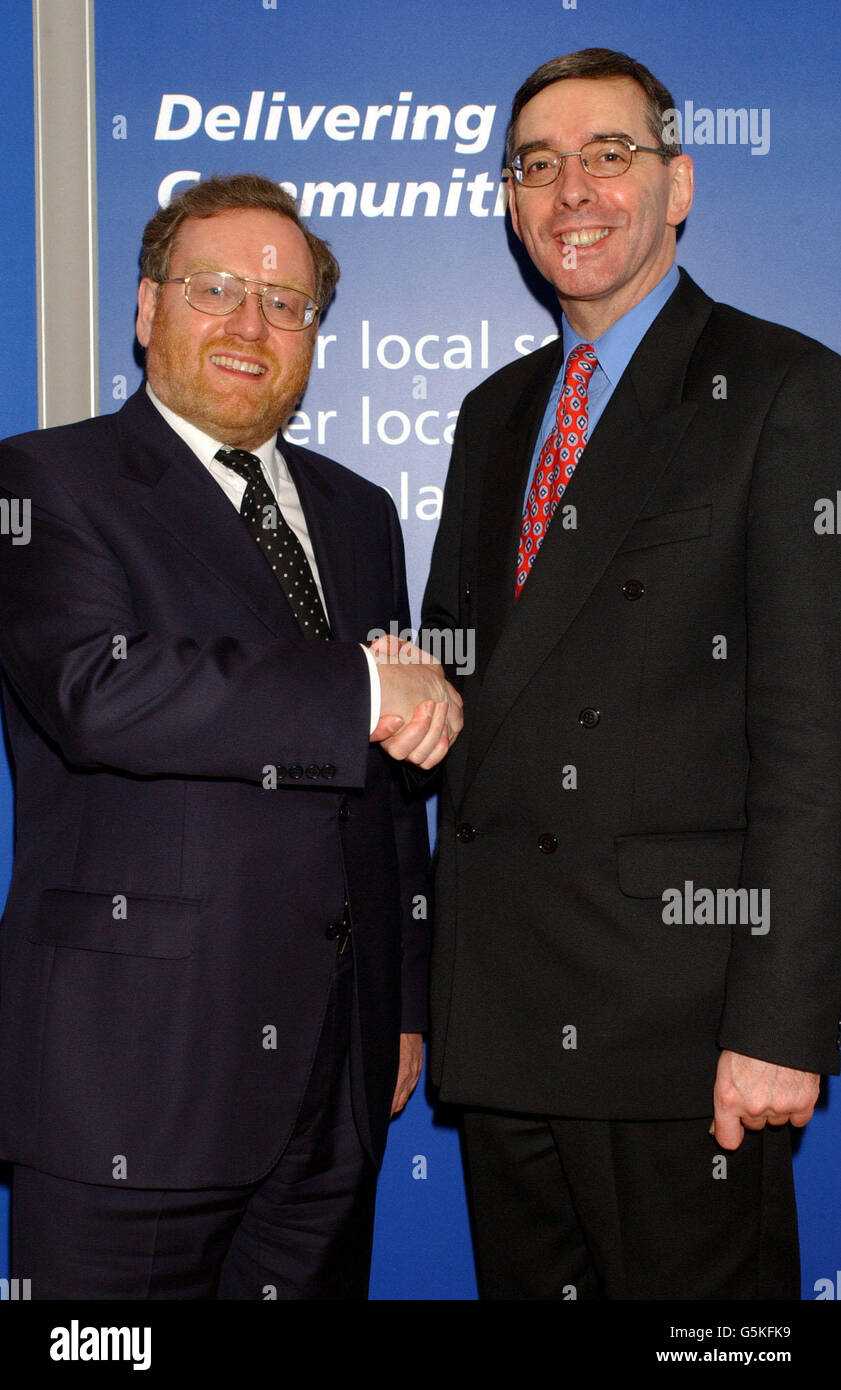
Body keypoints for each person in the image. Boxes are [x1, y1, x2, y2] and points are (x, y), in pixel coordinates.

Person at [422, 48, 841, 1300]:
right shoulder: (496, 413)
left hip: (680, 1030)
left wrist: (778, 1023)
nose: (572, 193)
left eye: (610, 155)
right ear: (508, 203)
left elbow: (818, 740)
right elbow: (462, 662)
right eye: (537, 167)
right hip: (502, 1016)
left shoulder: (785, 390)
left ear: (680, 182)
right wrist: (392, 683)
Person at [0, 172, 462, 1300]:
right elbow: (96, 690)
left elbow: (389, 793)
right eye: (215, 290)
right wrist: (358, 686)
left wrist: (399, 1006)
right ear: (148, 309)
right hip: (132, 1083)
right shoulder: (42, 480)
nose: (251, 325)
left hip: (332, 1085)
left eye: (286, 303)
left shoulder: (356, 511)